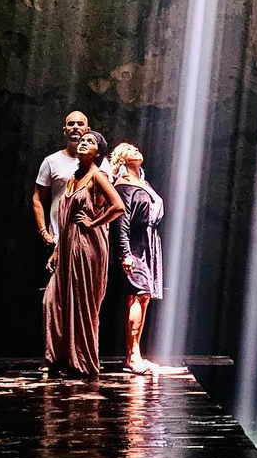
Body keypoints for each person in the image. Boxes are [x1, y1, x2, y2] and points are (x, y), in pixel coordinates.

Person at [42, 131, 124, 376]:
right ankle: (60, 358)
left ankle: (83, 363)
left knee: (81, 304)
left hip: (87, 247)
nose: (84, 142)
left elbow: (118, 206)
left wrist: (94, 222)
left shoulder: (97, 176)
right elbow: (64, 218)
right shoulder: (71, 179)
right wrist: (56, 251)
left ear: (98, 152)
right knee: (52, 301)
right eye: (83, 140)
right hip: (67, 247)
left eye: (91, 141)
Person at [109, 142, 164, 375]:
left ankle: (136, 353)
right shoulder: (123, 186)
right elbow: (121, 222)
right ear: (122, 160)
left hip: (149, 242)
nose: (136, 150)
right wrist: (125, 254)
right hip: (135, 244)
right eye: (130, 150)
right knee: (138, 295)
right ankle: (133, 356)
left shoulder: (142, 183)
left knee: (144, 297)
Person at [33, 111, 113, 246]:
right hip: (58, 236)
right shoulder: (51, 161)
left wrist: (97, 225)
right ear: (65, 130)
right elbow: (37, 197)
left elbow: (111, 203)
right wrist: (43, 231)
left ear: (88, 130)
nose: (75, 127)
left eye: (80, 124)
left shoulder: (101, 164)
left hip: (89, 238)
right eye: (71, 124)